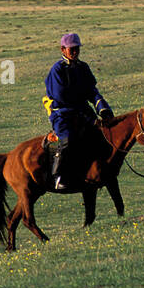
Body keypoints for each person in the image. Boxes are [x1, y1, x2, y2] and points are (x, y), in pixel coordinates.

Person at [43, 33, 113, 191]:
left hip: (82, 112)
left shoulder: (83, 67)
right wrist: (87, 118)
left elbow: (92, 92)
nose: (75, 52)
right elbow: (63, 100)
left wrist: (104, 109)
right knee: (67, 140)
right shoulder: (57, 70)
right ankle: (57, 176)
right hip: (62, 114)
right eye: (72, 49)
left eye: (77, 49)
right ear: (63, 49)